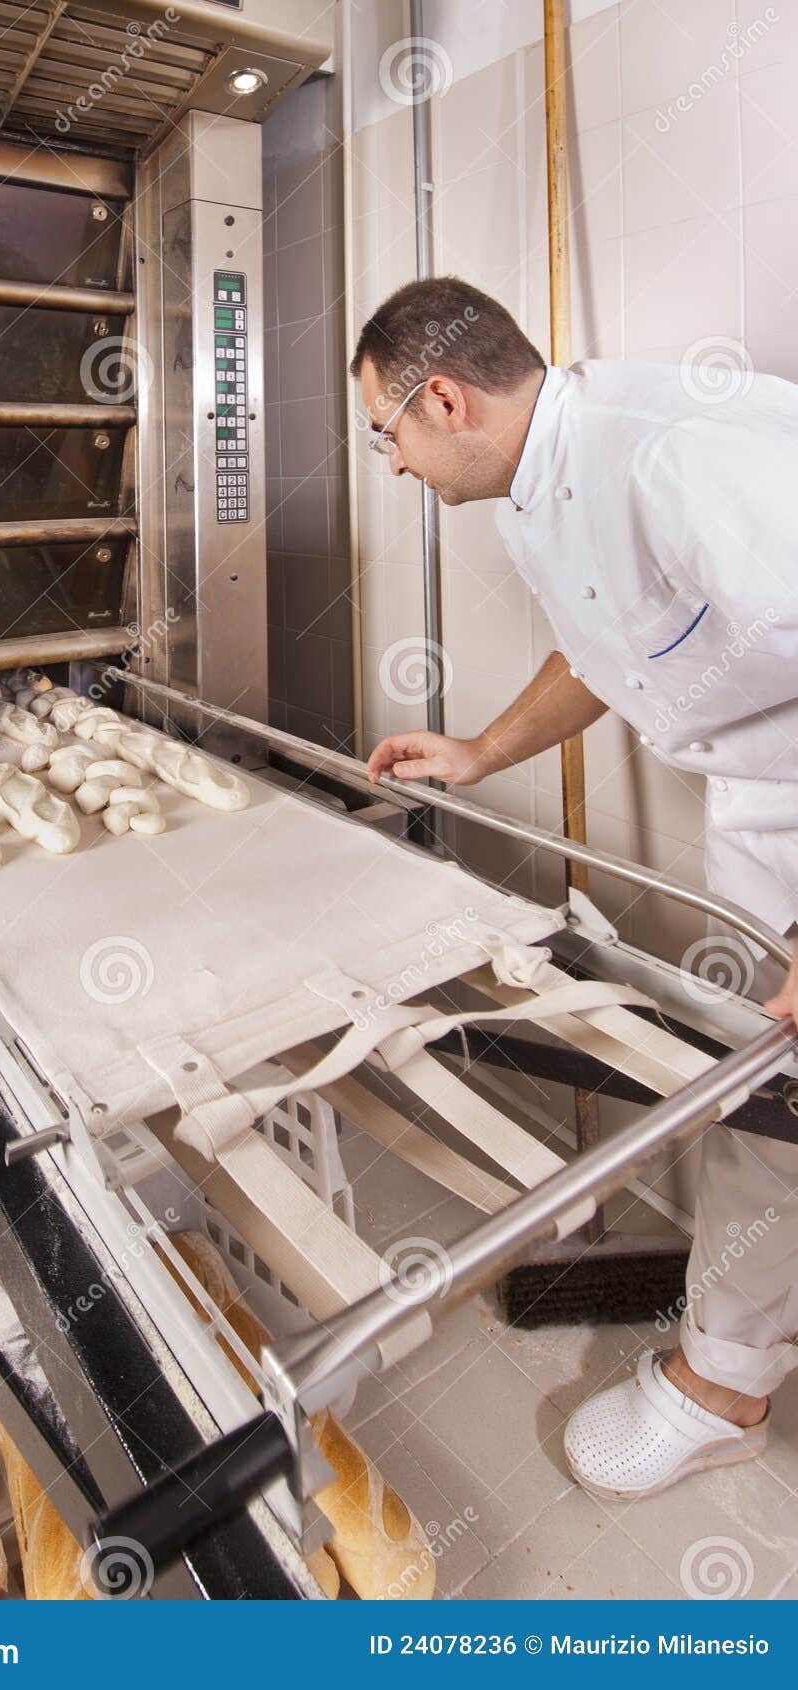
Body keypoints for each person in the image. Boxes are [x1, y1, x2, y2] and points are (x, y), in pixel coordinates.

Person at [352, 275, 798, 1501]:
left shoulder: (672, 455)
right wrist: (484, 752)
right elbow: (603, 647)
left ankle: (717, 1390)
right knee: (774, 1113)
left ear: (441, 398)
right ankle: (731, 1383)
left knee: (771, 1115)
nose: (387, 463)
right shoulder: (540, 483)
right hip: (765, 826)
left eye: (383, 433)